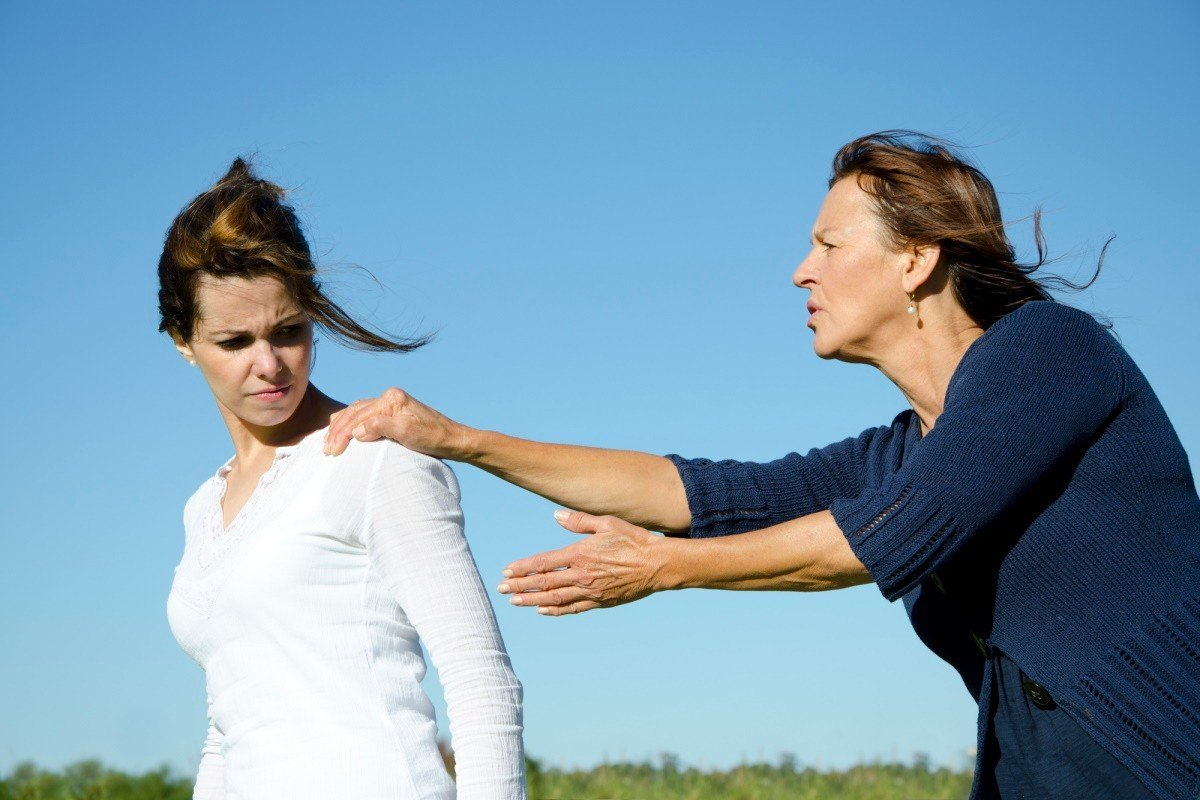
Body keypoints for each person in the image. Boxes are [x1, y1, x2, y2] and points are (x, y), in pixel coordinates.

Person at [324, 132, 1200, 800]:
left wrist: (661, 568)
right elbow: (703, 495)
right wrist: (461, 440)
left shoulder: (1047, 351)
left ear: (916, 258)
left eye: (828, 244)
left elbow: (881, 538)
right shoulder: (901, 448)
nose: (798, 272)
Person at [160, 159, 525, 800]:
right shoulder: (201, 510)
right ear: (182, 340)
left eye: (289, 331)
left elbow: (480, 676)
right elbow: (230, 726)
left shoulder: (374, 459)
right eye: (234, 340)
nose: (268, 364)